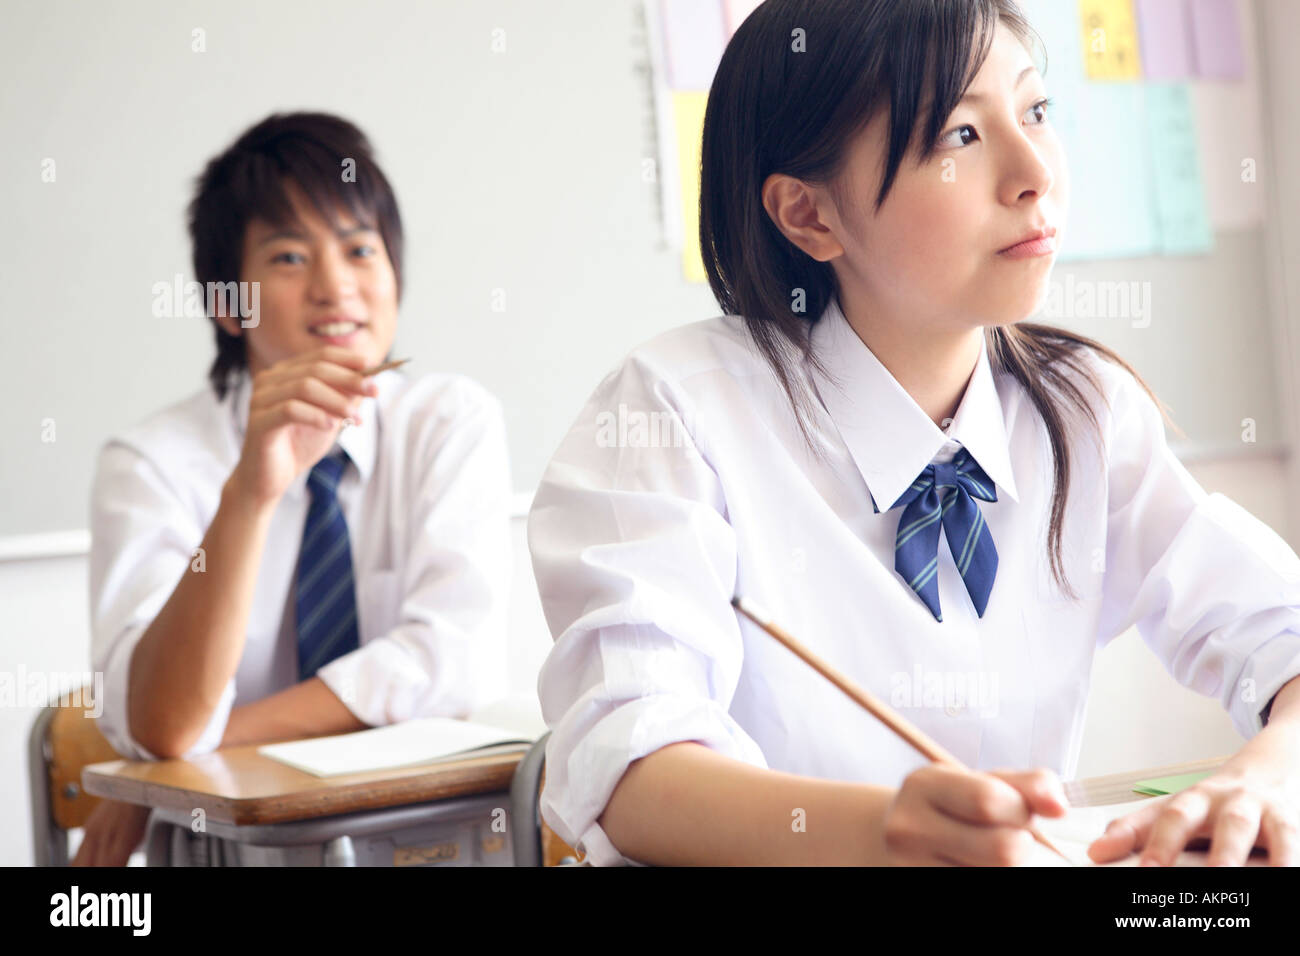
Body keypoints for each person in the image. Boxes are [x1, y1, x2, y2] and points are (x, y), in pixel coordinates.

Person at [527, 0, 1300, 866]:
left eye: (1035, 110)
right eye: (960, 137)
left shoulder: (1083, 410)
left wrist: (1270, 775)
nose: (1034, 171)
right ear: (809, 217)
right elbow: (629, 768)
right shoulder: (676, 412)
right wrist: (880, 834)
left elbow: (1286, 635)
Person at [75, 112, 512, 865]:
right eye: (287, 256)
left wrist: (162, 770)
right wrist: (250, 492)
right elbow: (165, 720)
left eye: (359, 249)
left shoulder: (449, 419)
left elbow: (452, 661)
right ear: (226, 303)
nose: (335, 287)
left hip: (430, 844)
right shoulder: (149, 463)